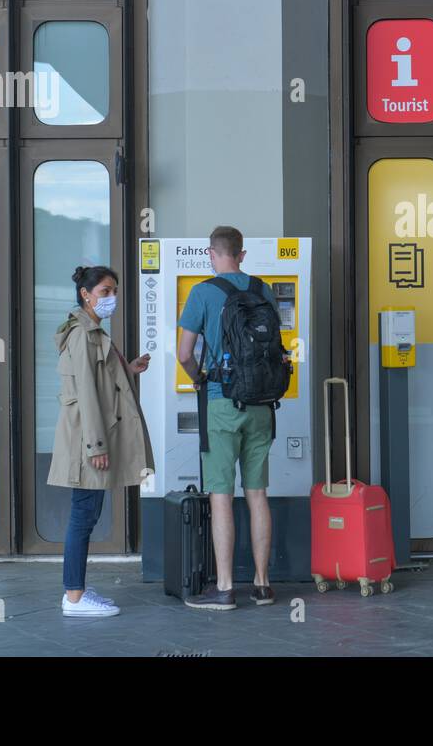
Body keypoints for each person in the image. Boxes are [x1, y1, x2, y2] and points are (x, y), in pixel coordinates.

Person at [177, 226, 278, 610]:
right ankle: (263, 584)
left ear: (210, 254)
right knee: (257, 494)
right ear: (242, 253)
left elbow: (184, 353)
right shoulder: (262, 289)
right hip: (261, 403)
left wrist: (200, 379)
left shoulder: (202, 292)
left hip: (221, 402)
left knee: (222, 495)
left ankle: (223, 588)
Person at [48, 265, 155, 618]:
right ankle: (74, 597)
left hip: (91, 439)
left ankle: (76, 588)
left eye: (114, 291)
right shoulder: (82, 334)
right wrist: (96, 447)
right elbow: (87, 394)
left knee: (87, 513)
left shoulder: (92, 331)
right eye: (106, 291)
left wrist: (129, 368)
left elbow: (100, 376)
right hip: (87, 441)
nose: (112, 298)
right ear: (86, 294)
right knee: (82, 515)